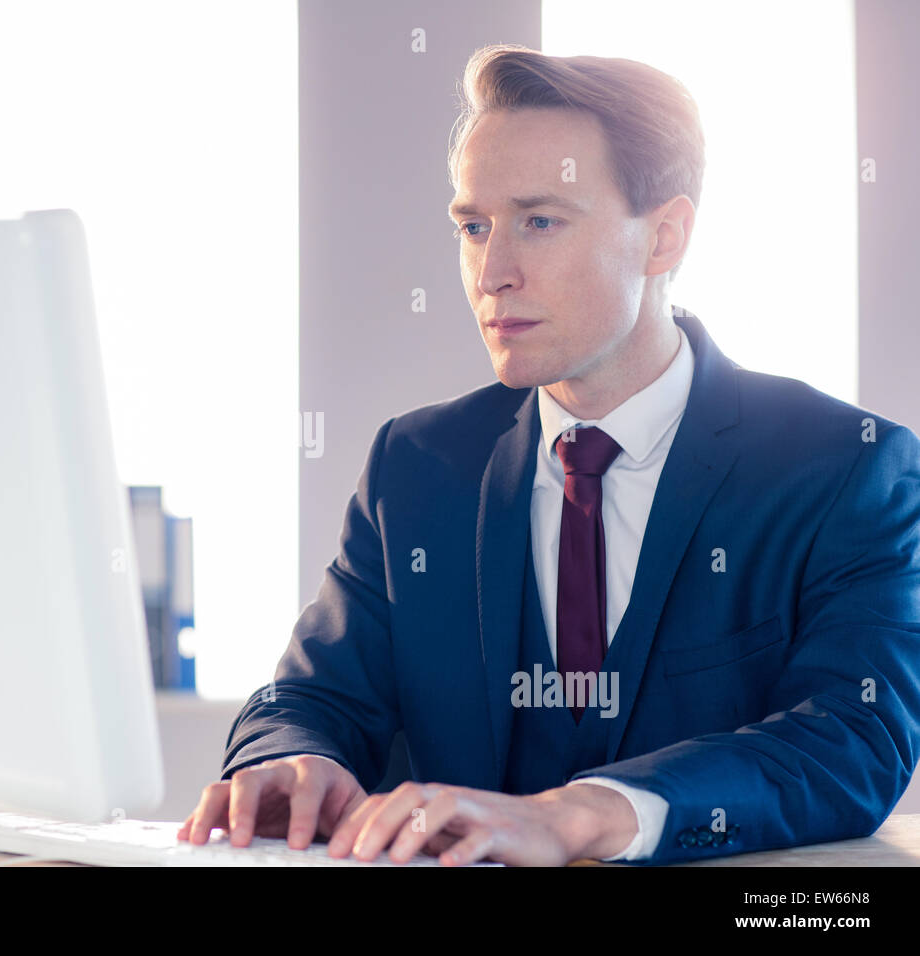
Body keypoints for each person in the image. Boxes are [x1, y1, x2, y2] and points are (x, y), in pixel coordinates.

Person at [178, 43, 920, 865]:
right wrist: (289, 758)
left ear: (664, 237)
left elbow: (853, 740)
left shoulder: (845, 468)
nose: (492, 272)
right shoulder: (418, 467)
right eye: (473, 226)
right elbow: (310, 695)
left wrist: (582, 815)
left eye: (540, 221)